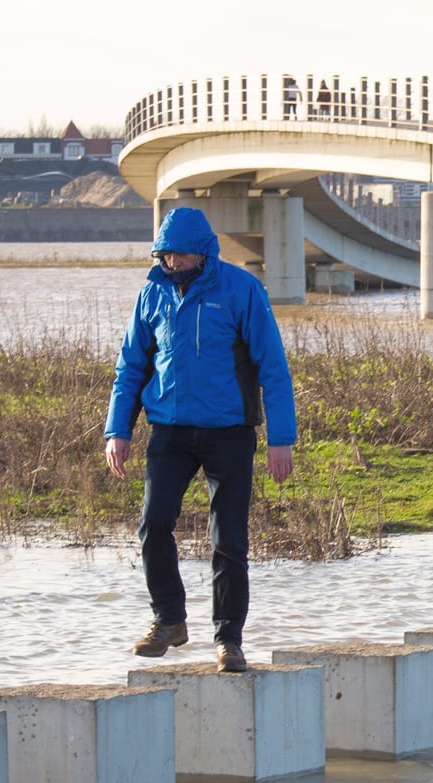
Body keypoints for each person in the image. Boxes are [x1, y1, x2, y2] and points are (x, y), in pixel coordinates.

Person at [105, 206, 297, 673]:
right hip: (170, 430)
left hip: (229, 432)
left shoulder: (241, 290)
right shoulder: (152, 294)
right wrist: (117, 429)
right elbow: (131, 367)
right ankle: (169, 620)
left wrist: (281, 438)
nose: (173, 262)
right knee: (153, 524)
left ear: (203, 252)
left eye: (181, 255)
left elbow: (273, 367)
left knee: (228, 539)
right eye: (165, 255)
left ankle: (228, 640)